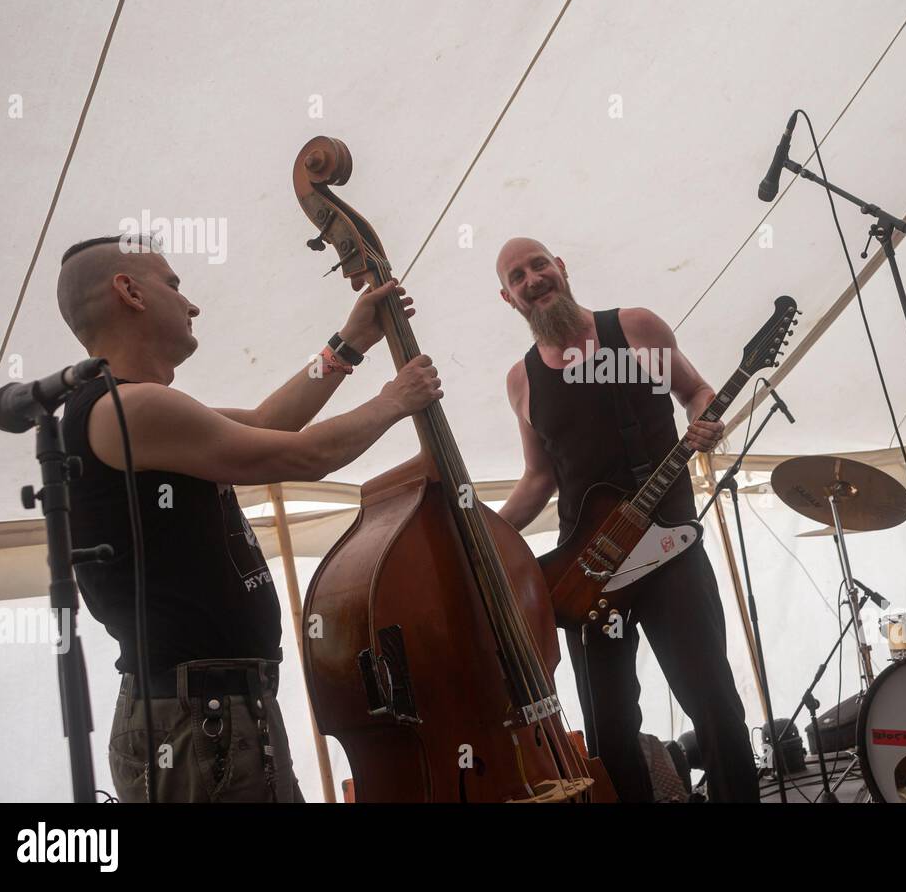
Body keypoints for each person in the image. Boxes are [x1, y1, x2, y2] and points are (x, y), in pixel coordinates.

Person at [56, 234, 441, 801]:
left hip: (209, 710)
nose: (191, 305)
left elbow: (267, 422)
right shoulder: (128, 408)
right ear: (129, 291)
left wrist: (350, 341)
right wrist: (393, 400)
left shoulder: (129, 405)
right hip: (199, 717)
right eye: (173, 284)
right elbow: (302, 454)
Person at [495, 237, 759, 802]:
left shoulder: (634, 328)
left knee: (712, 700)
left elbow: (696, 391)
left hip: (669, 547)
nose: (533, 278)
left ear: (561, 268)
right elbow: (539, 478)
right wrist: (485, 538)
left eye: (539, 264)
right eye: (518, 276)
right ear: (507, 297)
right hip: (587, 571)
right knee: (609, 731)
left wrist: (705, 421)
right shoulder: (521, 382)